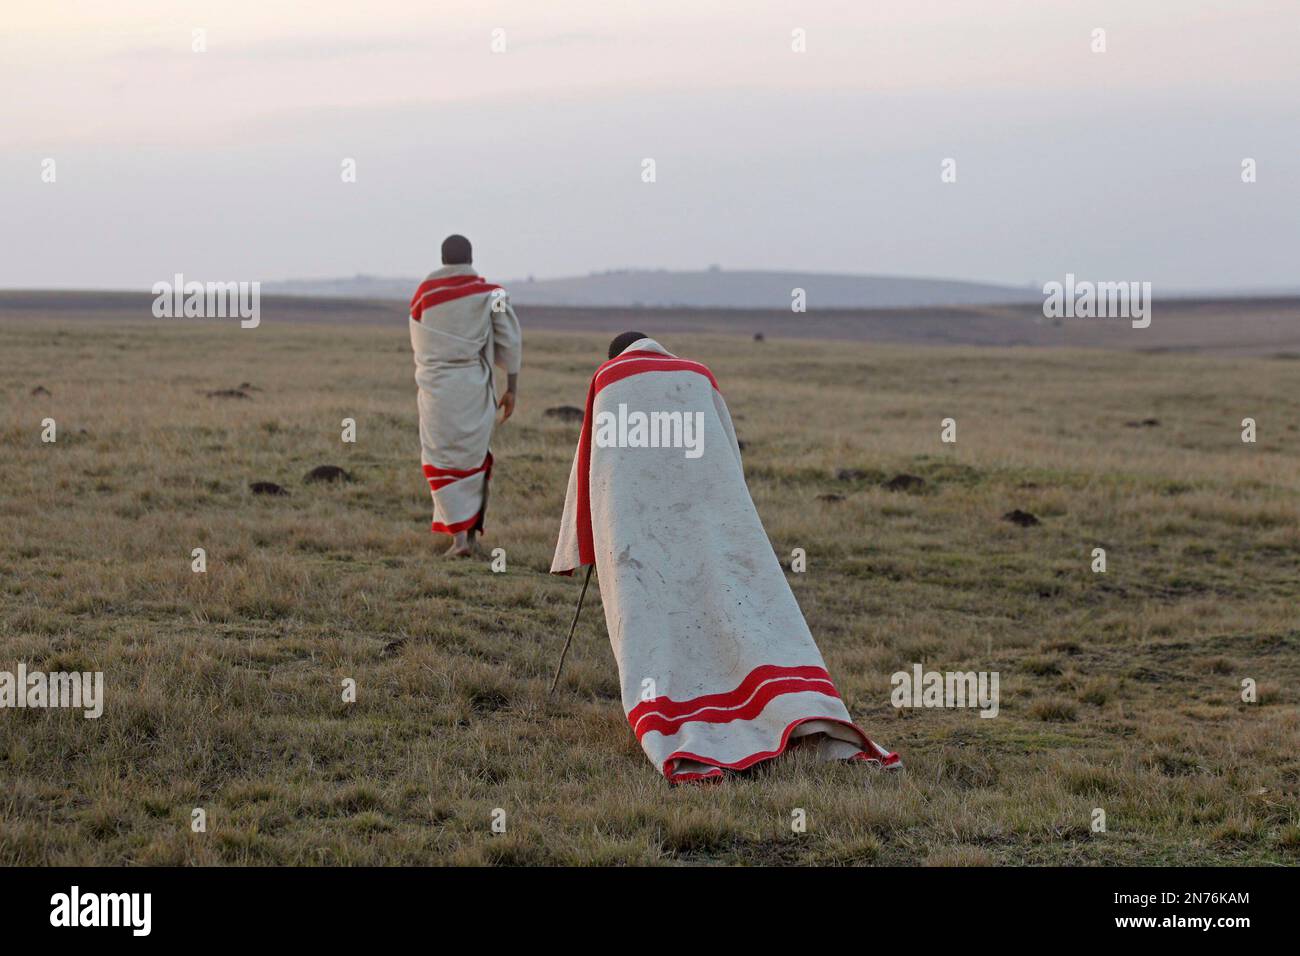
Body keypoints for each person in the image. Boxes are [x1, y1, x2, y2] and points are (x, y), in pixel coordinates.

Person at [551, 332, 899, 782]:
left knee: (657, 618)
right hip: (708, 514)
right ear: (659, 349)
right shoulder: (699, 376)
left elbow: (595, 463)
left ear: (616, 356)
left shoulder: (609, 378)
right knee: (733, 607)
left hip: (638, 520)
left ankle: (688, 716)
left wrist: (582, 537)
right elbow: (727, 454)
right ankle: (790, 711)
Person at [409, 235, 522, 557]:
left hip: (435, 391)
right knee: (474, 460)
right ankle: (468, 539)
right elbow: (510, 342)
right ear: (471, 259)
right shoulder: (492, 295)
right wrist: (512, 387)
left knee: (439, 459)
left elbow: (421, 346)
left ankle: (460, 538)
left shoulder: (423, 295)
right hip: (473, 388)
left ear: (442, 259)